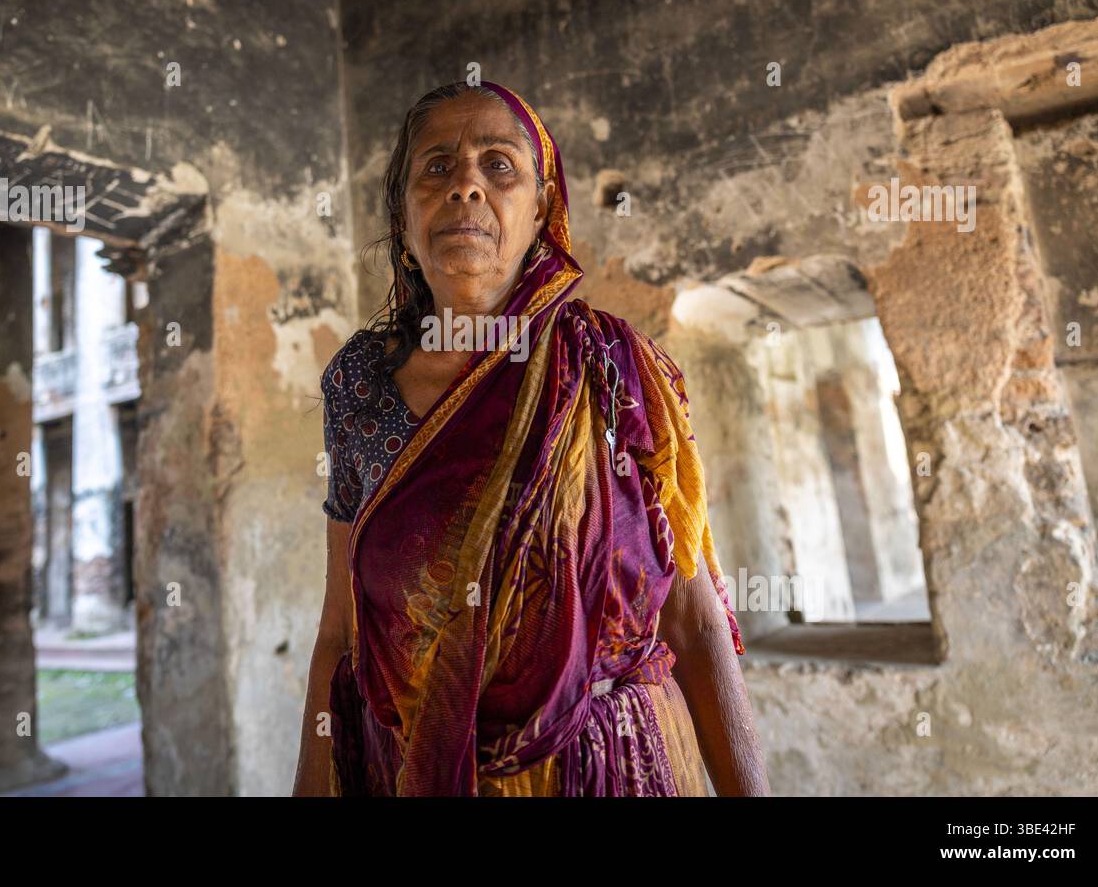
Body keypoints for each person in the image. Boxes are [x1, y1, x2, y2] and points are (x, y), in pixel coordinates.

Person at [293, 80, 769, 796]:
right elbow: (342, 631)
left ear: (542, 206)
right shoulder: (358, 386)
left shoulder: (617, 369)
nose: (466, 188)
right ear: (403, 209)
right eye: (437, 167)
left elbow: (695, 621)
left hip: (622, 769)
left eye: (499, 165)